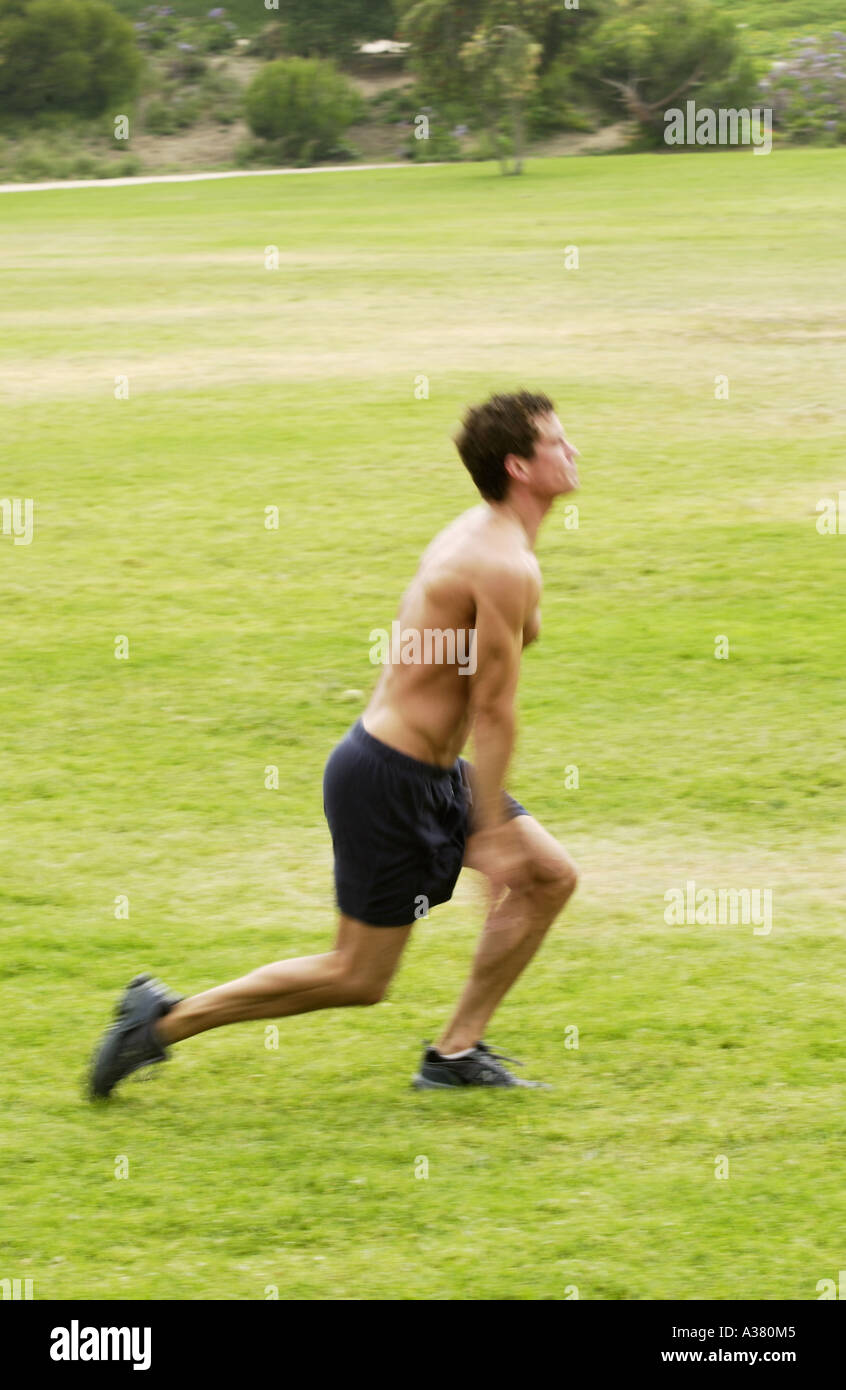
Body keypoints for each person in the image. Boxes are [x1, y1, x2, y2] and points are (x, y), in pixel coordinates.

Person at [89, 390, 580, 1098]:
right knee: (357, 976)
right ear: (519, 467)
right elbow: (494, 709)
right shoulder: (499, 560)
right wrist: (489, 833)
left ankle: (454, 1053)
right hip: (388, 778)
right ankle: (160, 1022)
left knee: (549, 877)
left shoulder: (491, 537)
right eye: (558, 444)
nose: (573, 452)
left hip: (424, 769)